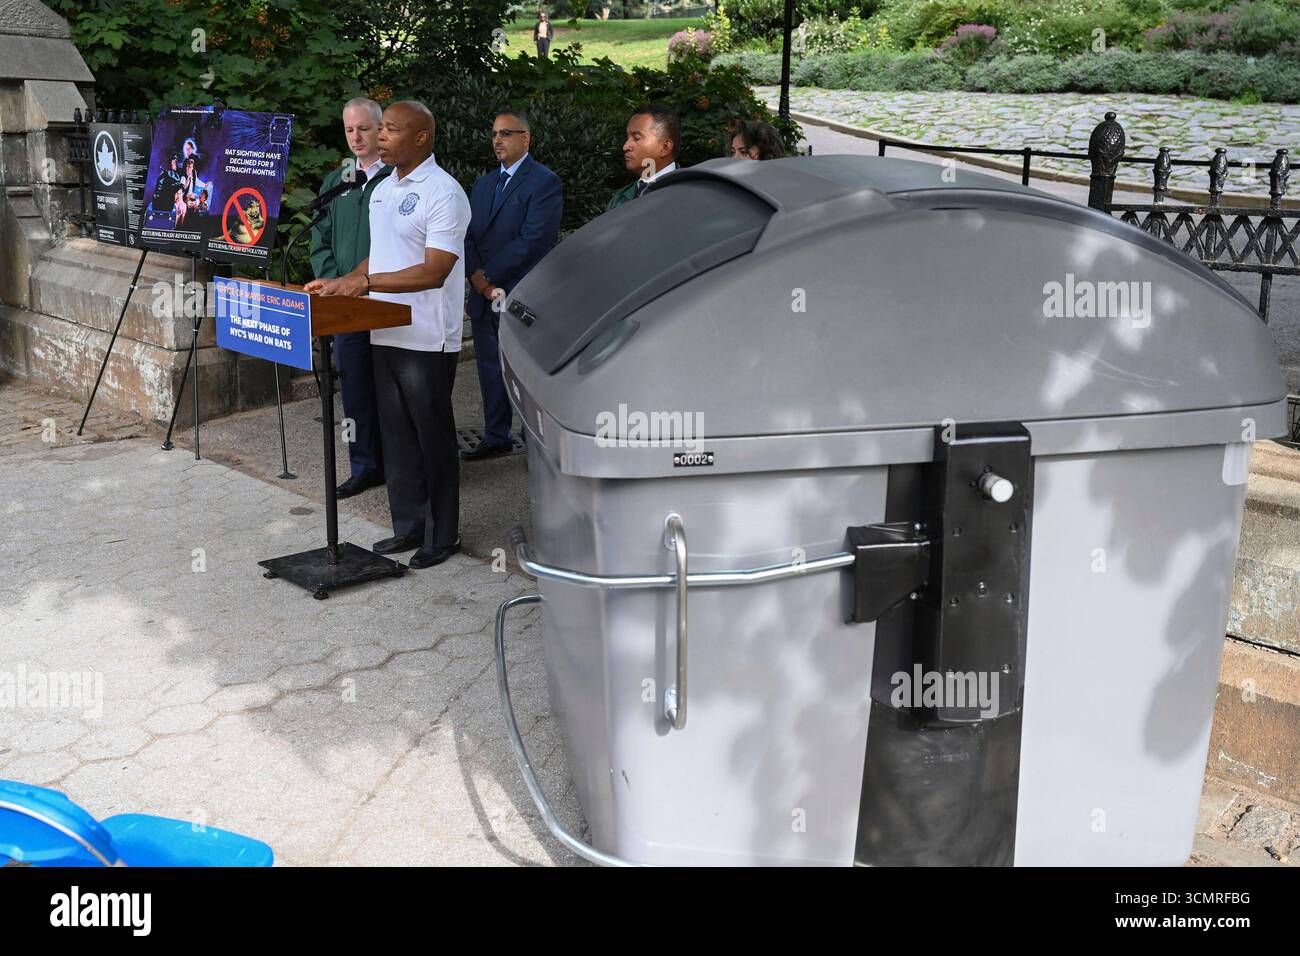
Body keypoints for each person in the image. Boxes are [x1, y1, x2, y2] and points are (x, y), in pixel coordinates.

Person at [304, 101, 471, 570]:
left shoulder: (444, 191)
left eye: (391, 130)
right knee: (397, 436)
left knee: (431, 437)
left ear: (421, 137)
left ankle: (444, 534)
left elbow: (436, 270)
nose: (380, 138)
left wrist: (366, 284)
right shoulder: (381, 189)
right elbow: (379, 257)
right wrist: (344, 283)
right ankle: (409, 527)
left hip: (427, 336)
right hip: (384, 329)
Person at [462, 110, 563, 460]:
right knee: (489, 367)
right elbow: (469, 234)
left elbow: (535, 239)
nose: (497, 140)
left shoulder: (544, 182)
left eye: (506, 133)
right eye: (494, 134)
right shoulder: (483, 184)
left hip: (519, 292)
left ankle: (532, 441)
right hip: (483, 293)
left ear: (526, 138)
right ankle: (495, 436)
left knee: (523, 370)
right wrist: (476, 276)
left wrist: (488, 275)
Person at [309, 97, 392, 499]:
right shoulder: (336, 181)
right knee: (355, 388)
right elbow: (318, 238)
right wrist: (334, 283)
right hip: (346, 307)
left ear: (381, 129)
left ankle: (401, 464)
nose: (356, 137)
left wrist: (366, 280)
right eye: (349, 130)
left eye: (364, 128)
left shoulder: (397, 178)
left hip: (391, 302)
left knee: (393, 387)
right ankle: (365, 466)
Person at [607, 104, 680, 210]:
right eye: (627, 137)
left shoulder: (691, 193)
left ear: (665, 147)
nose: (625, 146)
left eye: (636, 138)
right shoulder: (620, 198)